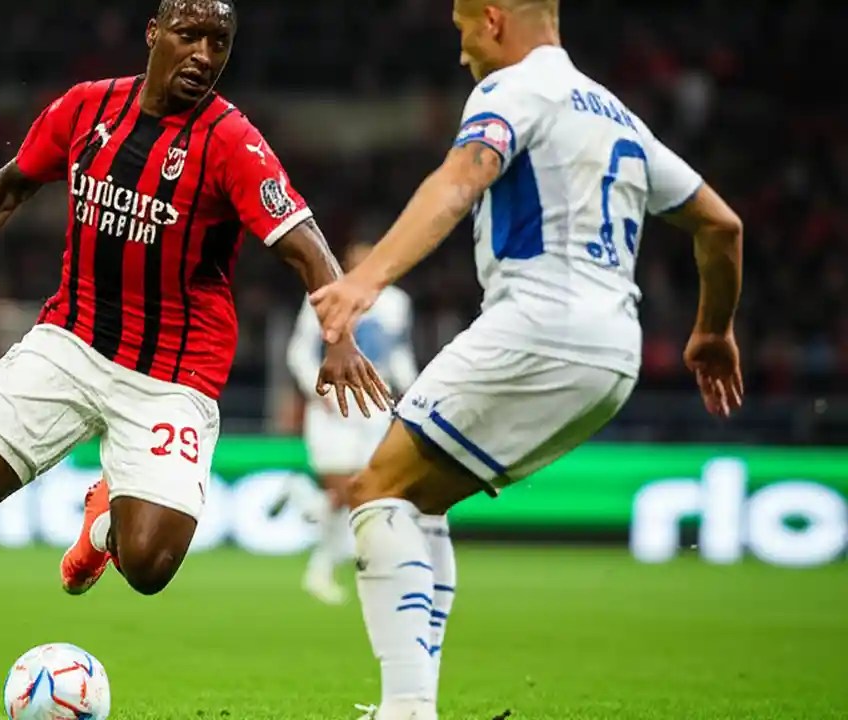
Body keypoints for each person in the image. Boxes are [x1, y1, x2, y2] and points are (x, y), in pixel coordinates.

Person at [0, 1, 390, 717]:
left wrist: (340, 335)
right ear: (153, 34)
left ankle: (106, 524)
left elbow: (303, 240)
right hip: (69, 342)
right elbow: (12, 182)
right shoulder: (87, 108)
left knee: (150, 566)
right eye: (188, 35)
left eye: (218, 41)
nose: (203, 53)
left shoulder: (233, 142)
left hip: (172, 375)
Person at [311, 1, 745, 718]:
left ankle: (407, 709)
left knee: (376, 491)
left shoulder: (513, 90)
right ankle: (411, 703)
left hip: (538, 329)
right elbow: (721, 226)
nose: (460, 56)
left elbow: (458, 182)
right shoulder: (616, 115)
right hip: (614, 353)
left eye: (460, 34)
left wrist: (366, 278)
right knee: (418, 500)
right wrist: (713, 330)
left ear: (491, 20)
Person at [284, 240, 418, 605]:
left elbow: (398, 354)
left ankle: (320, 565)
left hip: (373, 406)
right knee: (343, 491)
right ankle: (302, 499)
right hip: (332, 405)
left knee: (361, 494)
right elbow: (299, 351)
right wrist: (319, 391)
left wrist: (410, 394)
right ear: (345, 262)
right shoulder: (325, 296)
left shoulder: (396, 303)